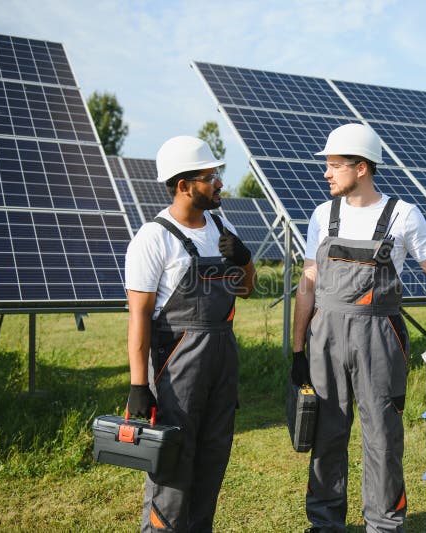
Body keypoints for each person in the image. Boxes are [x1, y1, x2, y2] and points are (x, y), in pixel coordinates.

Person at [291, 124, 426, 533]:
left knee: (383, 439)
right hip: (325, 340)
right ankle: (325, 524)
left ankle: (385, 525)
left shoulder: (403, 215)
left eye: (334, 165)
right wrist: (299, 348)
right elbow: (308, 282)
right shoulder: (323, 215)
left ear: (361, 167)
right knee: (326, 436)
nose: (326, 173)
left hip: (380, 340)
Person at [125, 135, 256, 532]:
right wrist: (137, 385)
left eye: (217, 174)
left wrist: (245, 259)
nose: (219, 183)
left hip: (221, 357)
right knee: (173, 466)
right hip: (175, 365)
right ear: (184, 185)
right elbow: (139, 319)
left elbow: (246, 289)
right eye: (210, 176)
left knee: (213, 458)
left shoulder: (221, 223)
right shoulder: (153, 238)